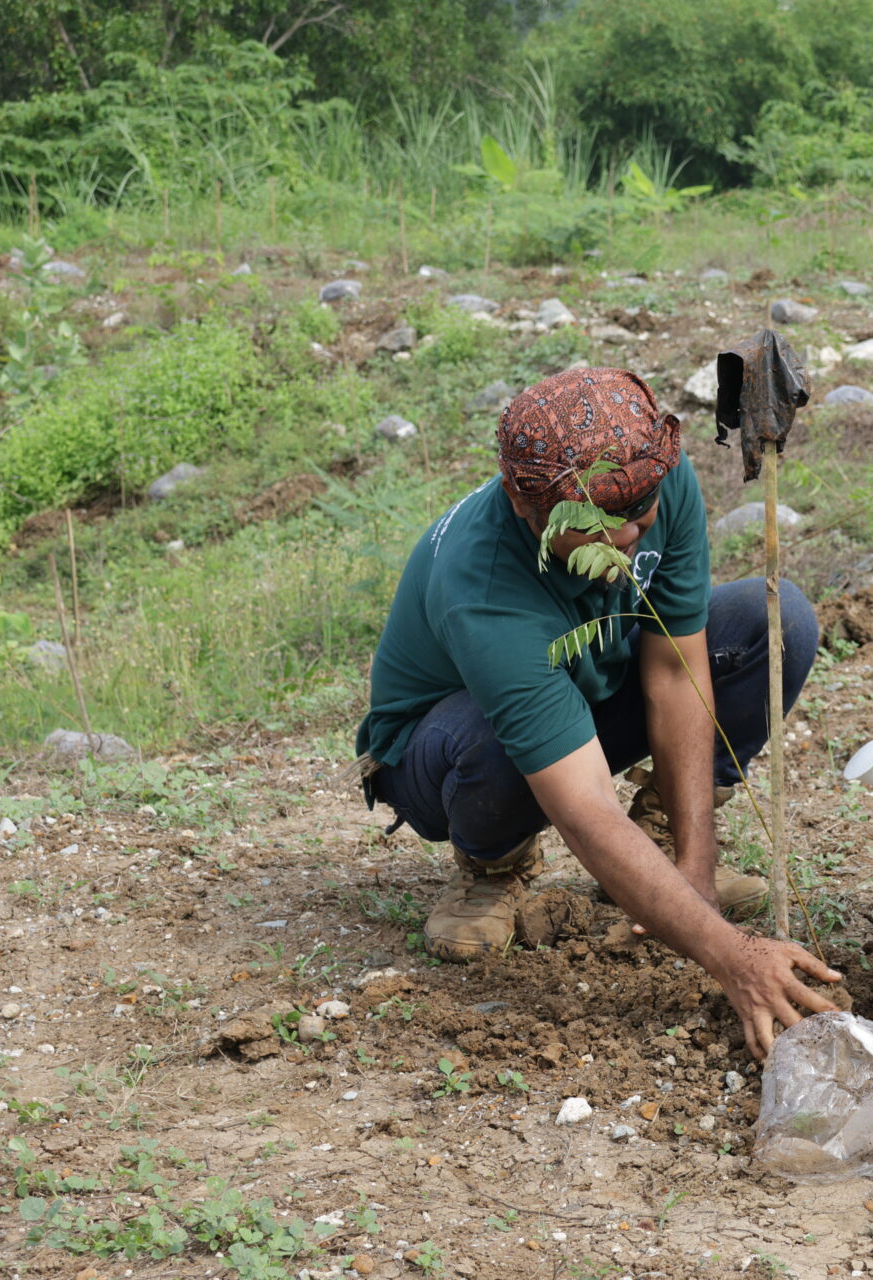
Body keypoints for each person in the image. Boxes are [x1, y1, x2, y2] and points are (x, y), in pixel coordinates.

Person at [354, 367, 839, 1059]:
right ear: (528, 509)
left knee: (774, 619)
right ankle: (492, 864)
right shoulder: (483, 588)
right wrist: (733, 956)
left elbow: (674, 671)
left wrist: (695, 869)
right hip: (444, 754)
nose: (631, 532)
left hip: (584, 688)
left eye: (640, 509)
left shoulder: (652, 478)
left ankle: (664, 851)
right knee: (492, 738)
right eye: (601, 525)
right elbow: (584, 805)